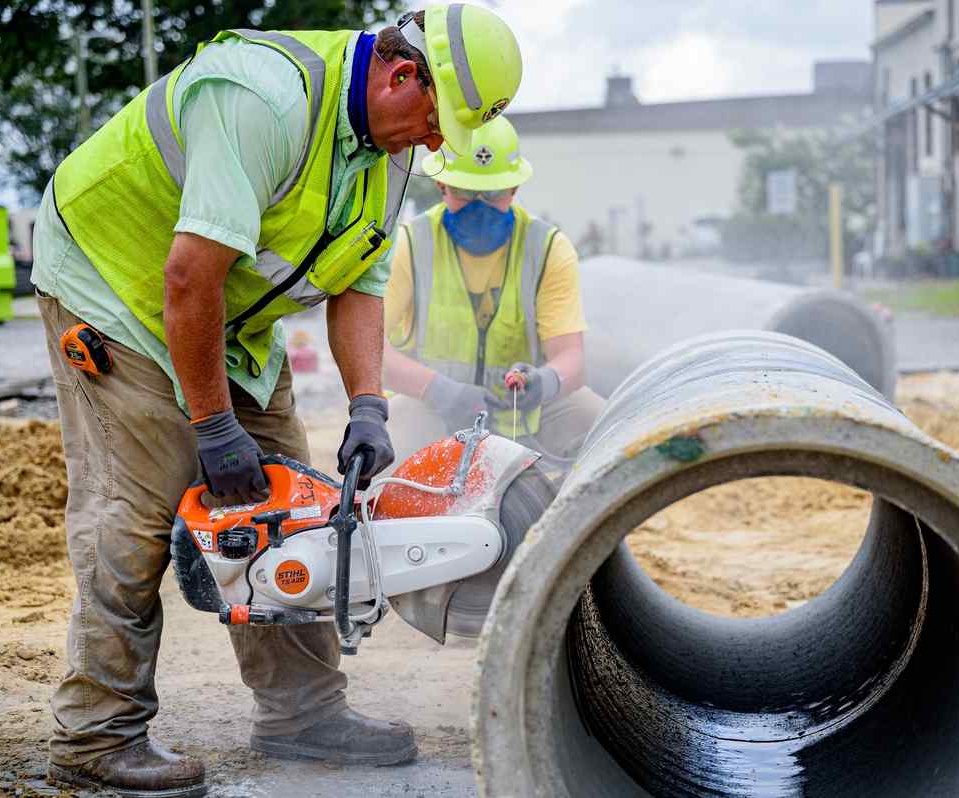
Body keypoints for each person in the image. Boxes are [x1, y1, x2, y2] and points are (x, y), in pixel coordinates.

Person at [31, 6, 521, 795]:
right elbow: (189, 276)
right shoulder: (264, 98)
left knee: (290, 507)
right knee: (139, 508)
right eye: (435, 123)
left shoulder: (388, 147)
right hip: (117, 289)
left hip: (226, 313)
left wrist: (369, 405)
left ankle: (302, 715)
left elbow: (358, 284)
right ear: (400, 76)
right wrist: (214, 425)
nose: (434, 145)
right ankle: (95, 735)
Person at [383, 117, 604, 461]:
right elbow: (370, 350)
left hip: (526, 414)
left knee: (598, 424)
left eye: (493, 194)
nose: (479, 206)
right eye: (465, 192)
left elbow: (572, 359)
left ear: (514, 189)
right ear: (441, 184)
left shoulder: (546, 248)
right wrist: (440, 390)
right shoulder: (412, 245)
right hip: (436, 410)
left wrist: (544, 382)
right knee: (388, 437)